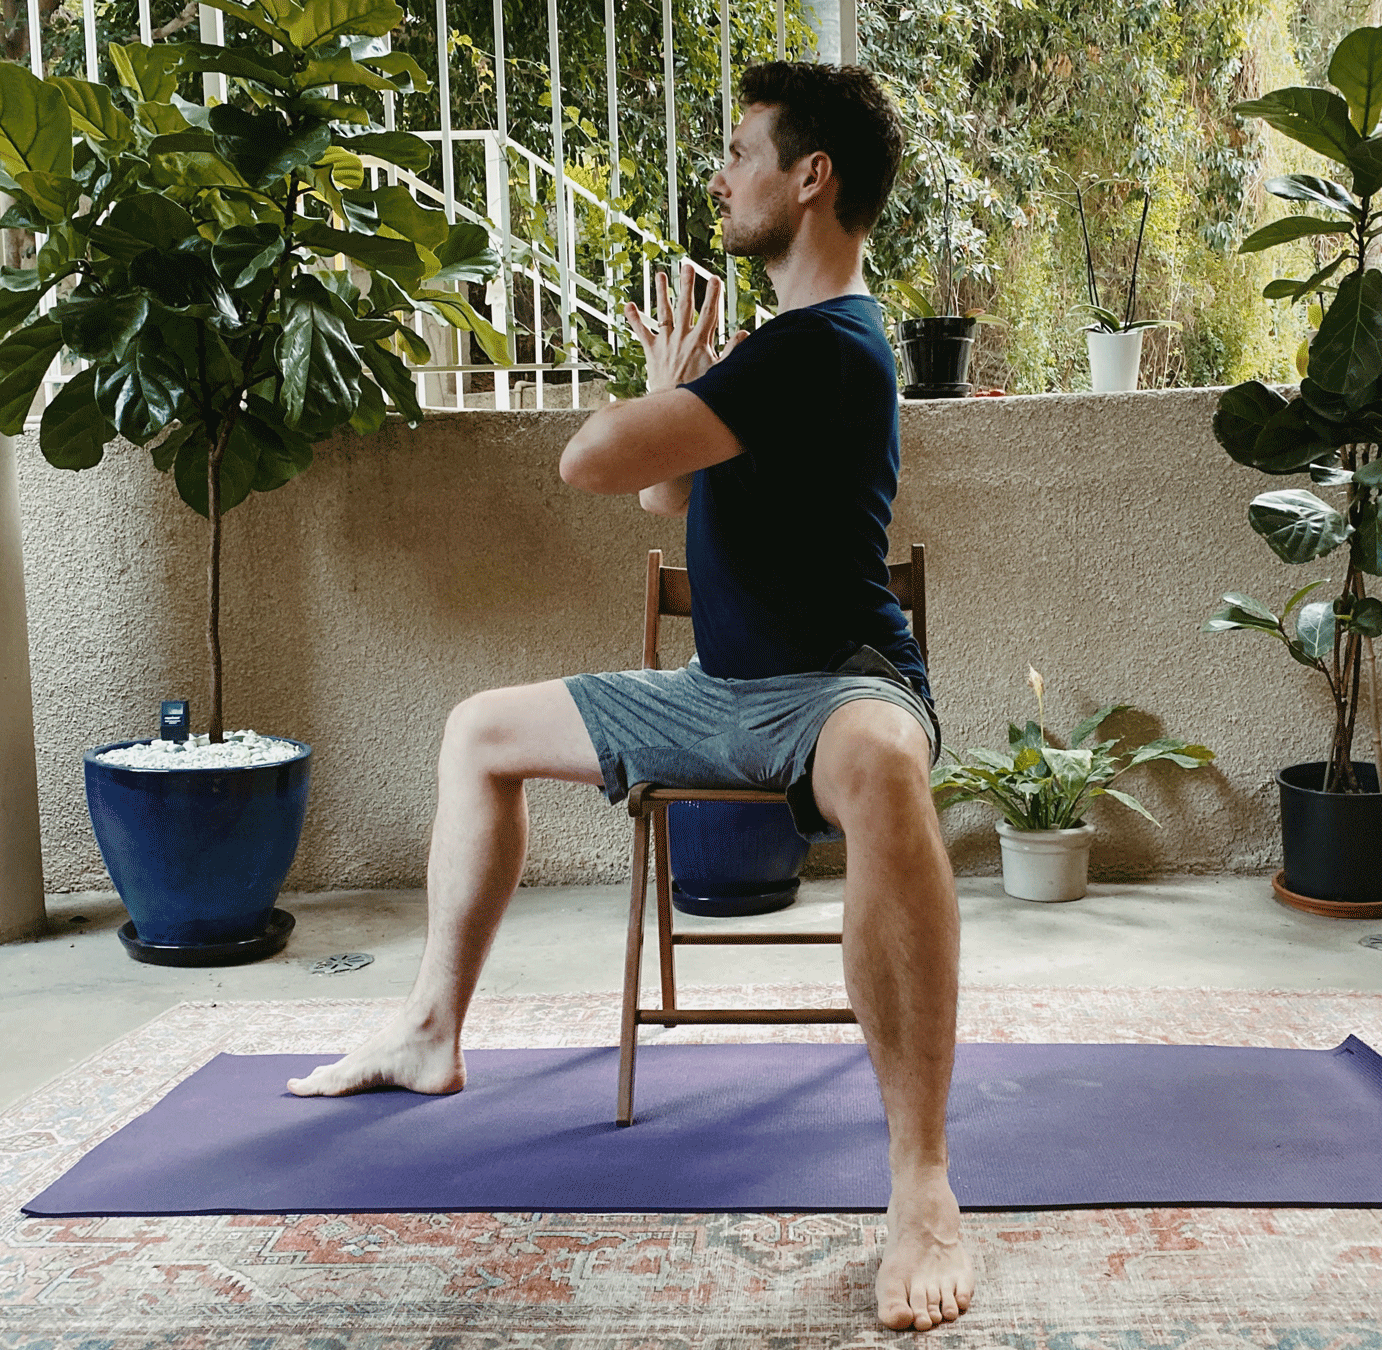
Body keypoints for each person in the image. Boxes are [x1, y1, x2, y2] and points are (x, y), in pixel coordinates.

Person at [284, 62, 973, 1333]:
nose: (720, 174)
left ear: (809, 177)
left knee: (885, 763)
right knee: (477, 732)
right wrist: (681, 380)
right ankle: (431, 1032)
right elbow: (666, 499)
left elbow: (593, 460)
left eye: (740, 149)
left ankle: (920, 1179)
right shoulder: (775, 359)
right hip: (720, 688)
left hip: (838, 692)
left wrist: (664, 399)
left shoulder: (830, 345)